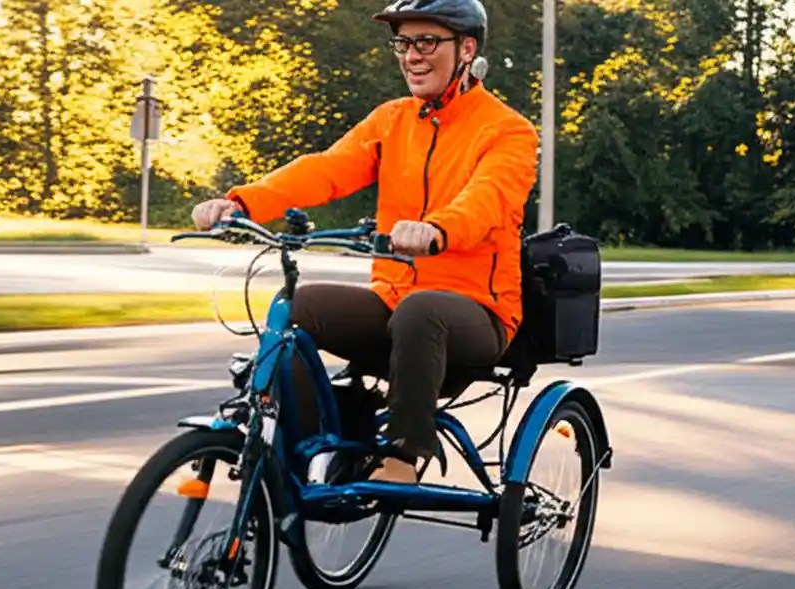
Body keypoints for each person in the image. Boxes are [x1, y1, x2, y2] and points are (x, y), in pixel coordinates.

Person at [192, 0, 539, 483]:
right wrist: (244, 203)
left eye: (426, 42)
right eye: (403, 43)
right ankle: (312, 448)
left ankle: (404, 455)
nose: (412, 55)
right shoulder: (392, 121)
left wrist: (438, 231)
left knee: (423, 311)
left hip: (477, 314)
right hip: (394, 302)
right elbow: (327, 169)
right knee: (296, 307)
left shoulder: (508, 131)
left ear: (466, 49)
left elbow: (488, 200)